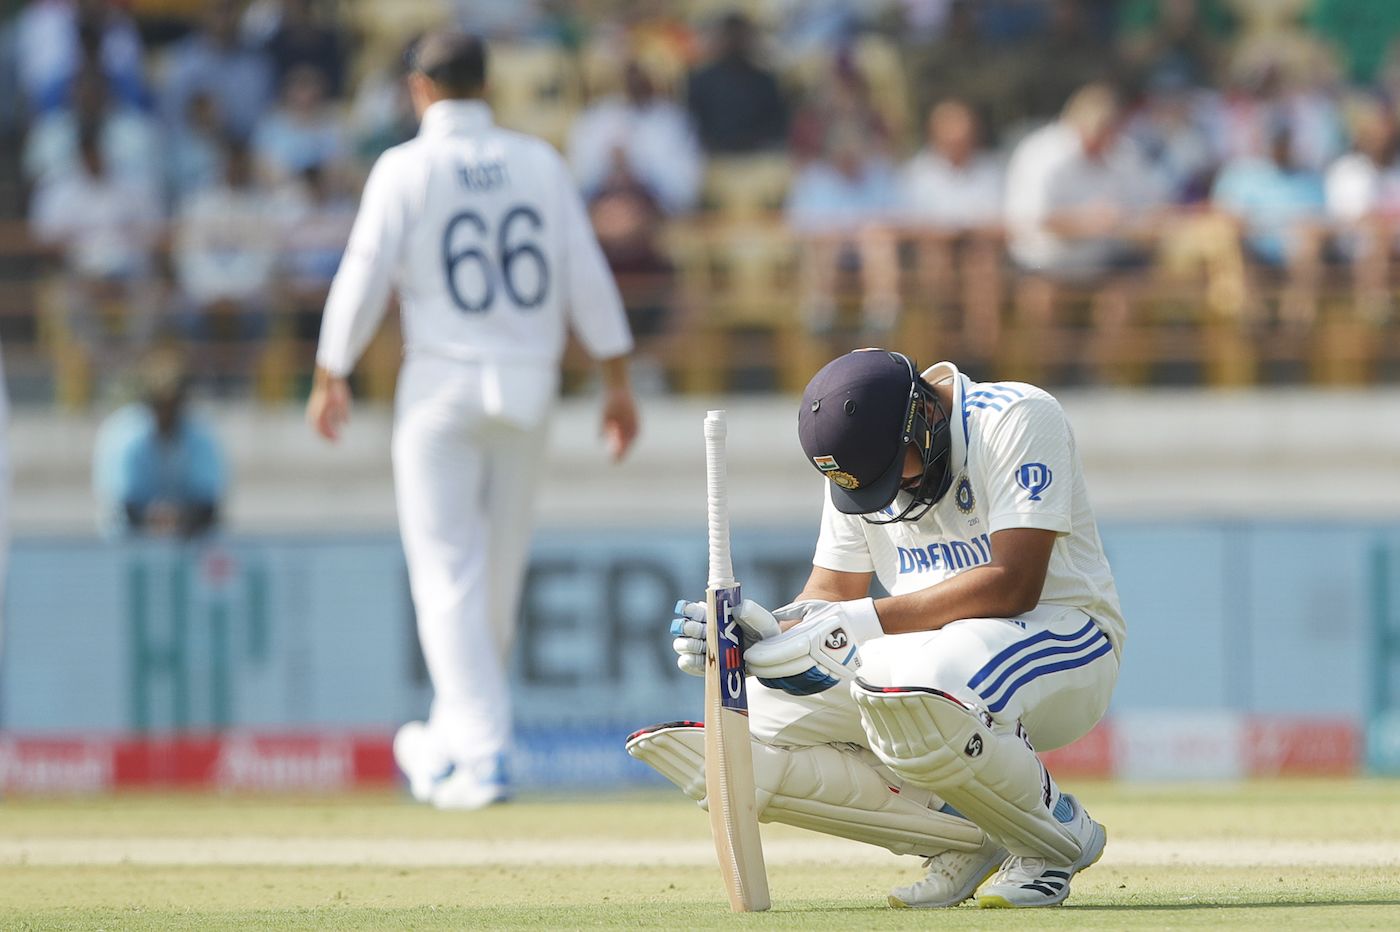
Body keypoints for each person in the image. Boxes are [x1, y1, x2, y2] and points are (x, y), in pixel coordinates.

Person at [630, 348, 1125, 909]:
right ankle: (967, 835)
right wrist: (761, 633)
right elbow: (831, 593)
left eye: (895, 474)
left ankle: (1056, 837)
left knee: (909, 679)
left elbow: (1015, 584)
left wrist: (858, 621)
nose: (891, 495)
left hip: (1066, 640)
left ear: (923, 416)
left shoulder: (1015, 417)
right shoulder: (860, 459)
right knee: (754, 721)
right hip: (926, 661)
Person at [306, 30, 640, 810]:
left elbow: (364, 270)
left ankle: (485, 753)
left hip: (441, 385)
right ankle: (448, 742)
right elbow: (584, 269)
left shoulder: (404, 167)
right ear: (487, 85)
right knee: (496, 577)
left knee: (446, 577)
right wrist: (616, 379)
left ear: (419, 88)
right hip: (527, 386)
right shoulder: (539, 161)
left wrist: (331, 368)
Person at [92, 349, 227, 539]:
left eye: (173, 401)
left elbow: (208, 506)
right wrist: (159, 518)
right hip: (128, 546)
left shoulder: (201, 434)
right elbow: (123, 508)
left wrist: (178, 517)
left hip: (189, 545)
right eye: (160, 402)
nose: (166, 410)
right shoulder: (123, 436)